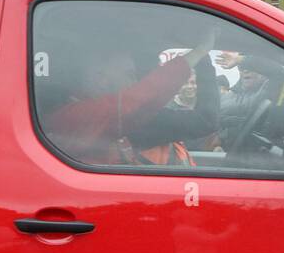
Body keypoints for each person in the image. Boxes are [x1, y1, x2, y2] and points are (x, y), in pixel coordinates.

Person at [45, 32, 218, 166]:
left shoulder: (103, 117)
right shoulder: (77, 116)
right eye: (130, 75)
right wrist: (200, 52)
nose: (135, 82)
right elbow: (135, 100)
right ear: (101, 79)